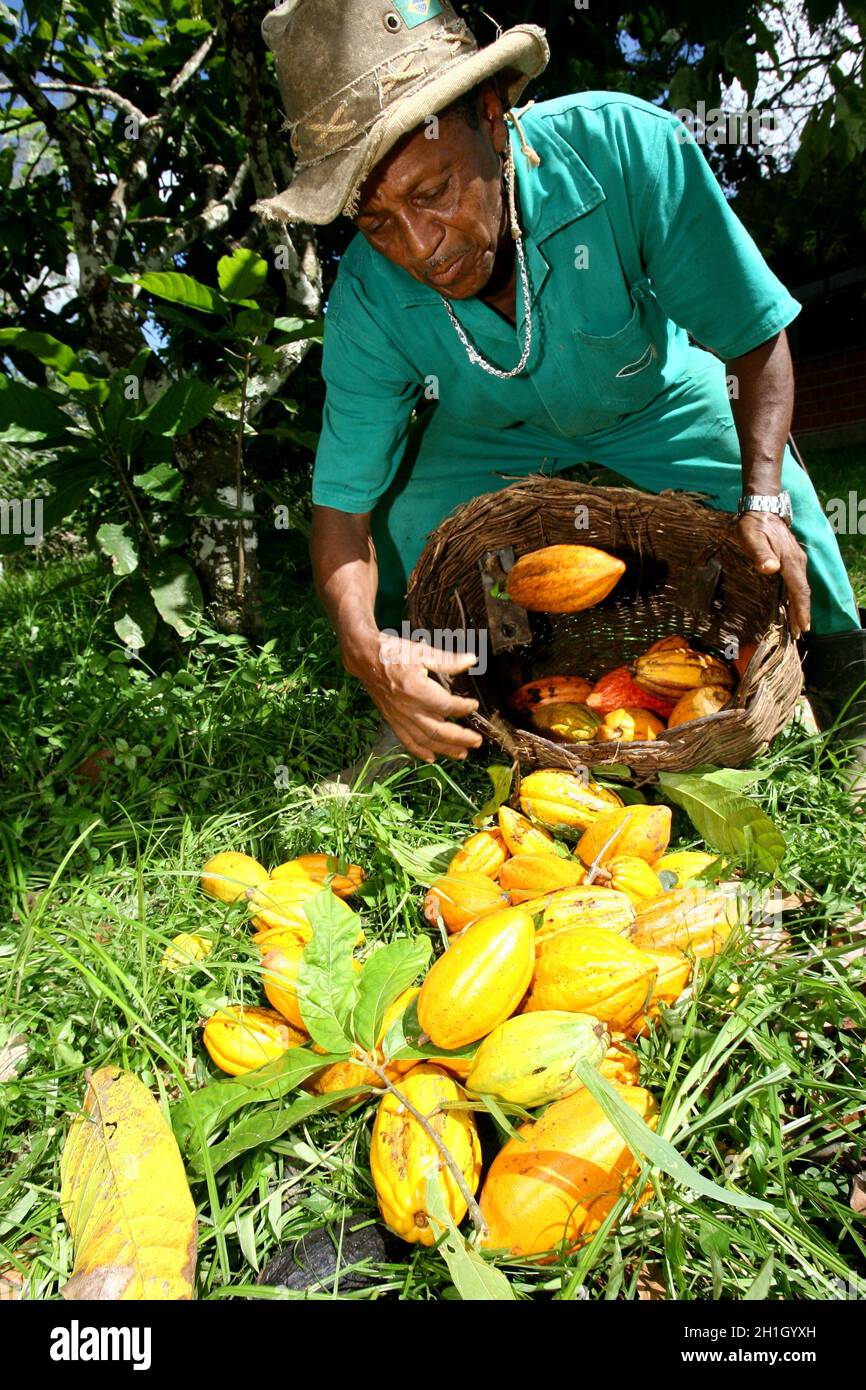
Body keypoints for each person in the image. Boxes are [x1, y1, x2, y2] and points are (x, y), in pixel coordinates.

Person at [255, 0, 865, 788]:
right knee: (407, 518)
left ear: (493, 116)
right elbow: (343, 510)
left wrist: (763, 496)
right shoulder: (371, 299)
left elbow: (753, 337)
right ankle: (471, 689)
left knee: (793, 521)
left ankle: (847, 686)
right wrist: (361, 645)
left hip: (654, 399)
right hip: (490, 429)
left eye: (434, 191)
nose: (419, 246)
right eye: (378, 224)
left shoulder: (623, 150)